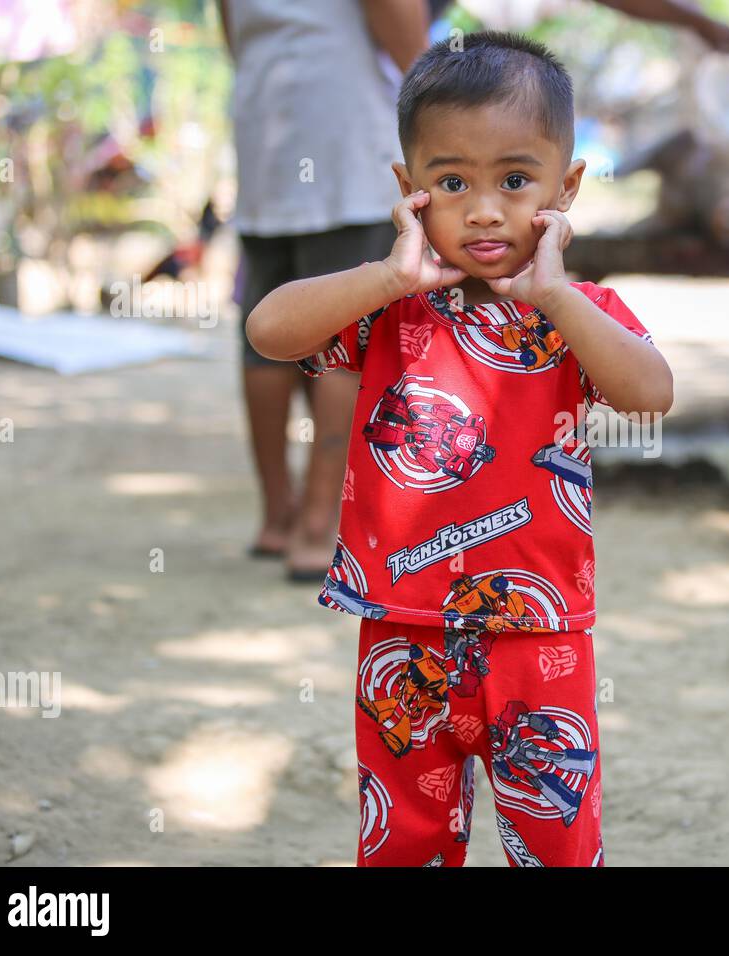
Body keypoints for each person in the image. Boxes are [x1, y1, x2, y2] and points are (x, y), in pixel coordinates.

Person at [245, 30, 673, 866]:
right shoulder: (385, 312)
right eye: (451, 183)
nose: (483, 209)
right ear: (409, 192)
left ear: (567, 187)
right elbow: (269, 330)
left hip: (537, 633)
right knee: (404, 839)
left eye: (516, 180)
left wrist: (555, 296)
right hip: (402, 631)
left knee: (553, 838)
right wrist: (387, 276)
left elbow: (649, 395)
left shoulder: (579, 311)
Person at [220, 0, 431, 580]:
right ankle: (318, 526)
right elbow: (405, 37)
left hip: (267, 131)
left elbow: (232, 32)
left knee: (259, 335)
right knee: (349, 335)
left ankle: (277, 517)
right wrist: (441, 103)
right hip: (343, 137)